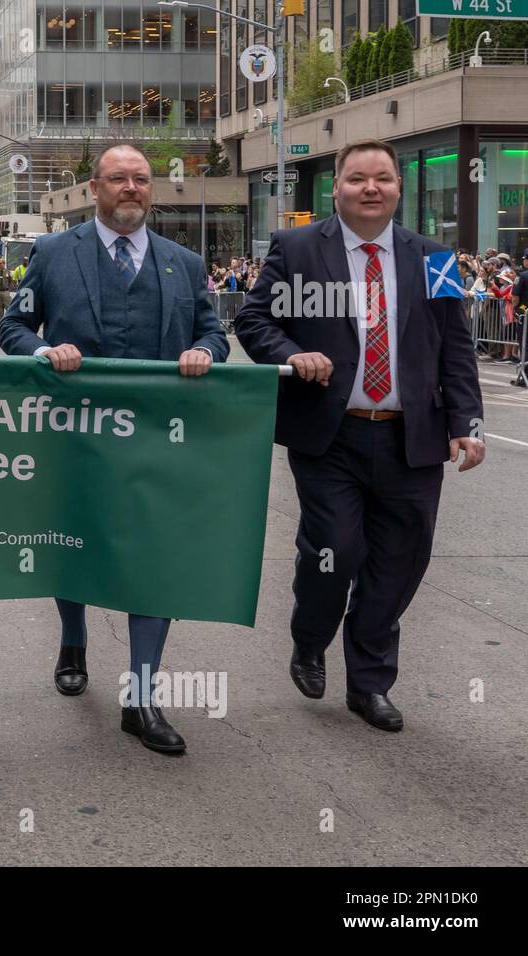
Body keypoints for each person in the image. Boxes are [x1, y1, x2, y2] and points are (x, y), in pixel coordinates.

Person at [234, 140, 485, 733]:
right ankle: (310, 636)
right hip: (331, 435)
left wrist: (467, 424)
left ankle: (369, 683)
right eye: (356, 179)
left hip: (412, 439)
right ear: (337, 189)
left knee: (398, 563)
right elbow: (253, 319)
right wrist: (294, 356)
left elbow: (456, 348)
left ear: (399, 187)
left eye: (382, 179)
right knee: (336, 550)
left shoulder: (434, 258)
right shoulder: (297, 249)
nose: (370, 188)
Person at [0, 143, 227, 756]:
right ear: (93, 188)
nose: (131, 189)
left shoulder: (185, 262)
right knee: (76, 542)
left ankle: (143, 696)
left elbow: (212, 331)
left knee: (154, 558)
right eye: (118, 179)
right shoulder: (50, 254)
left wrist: (207, 352)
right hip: (75, 434)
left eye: (141, 180)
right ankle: (73, 637)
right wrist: (44, 353)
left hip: (159, 438)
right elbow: (13, 328)